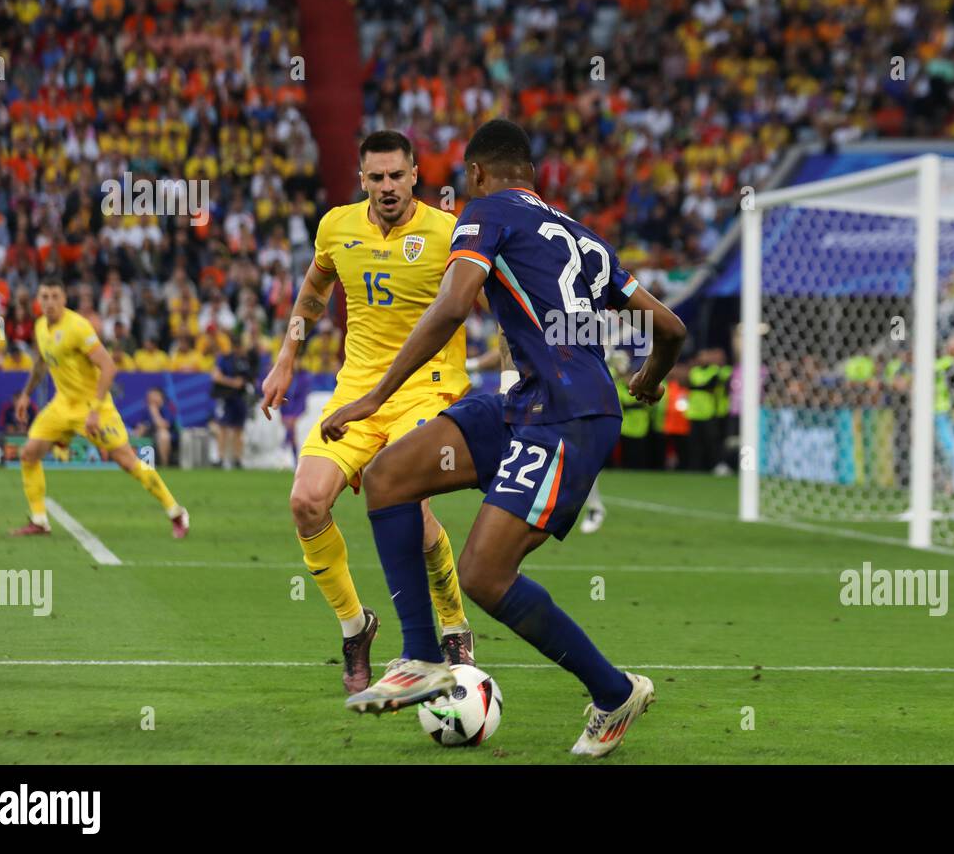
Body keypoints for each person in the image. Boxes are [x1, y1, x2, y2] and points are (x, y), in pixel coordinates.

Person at [320, 119, 686, 757]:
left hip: (566, 417)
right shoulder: (579, 236)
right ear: (532, 175)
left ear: (476, 175)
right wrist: (648, 380)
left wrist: (375, 395)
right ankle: (423, 656)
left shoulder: (481, 212)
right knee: (388, 477)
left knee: (485, 574)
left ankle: (612, 691)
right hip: (530, 403)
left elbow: (455, 304)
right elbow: (671, 327)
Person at [259, 130, 477, 696]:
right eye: (375, 177)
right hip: (357, 392)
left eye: (395, 176)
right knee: (306, 502)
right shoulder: (336, 226)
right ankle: (356, 627)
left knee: (413, 512)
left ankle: (452, 623)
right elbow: (313, 290)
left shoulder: (447, 232)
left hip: (426, 390)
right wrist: (286, 357)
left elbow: (492, 300)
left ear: (413, 177)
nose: (386, 187)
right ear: (362, 179)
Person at [10, 276, 190, 538]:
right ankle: (39, 520)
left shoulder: (78, 327)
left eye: (54, 297)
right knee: (28, 454)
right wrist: (26, 395)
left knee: (127, 462)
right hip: (62, 404)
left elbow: (108, 366)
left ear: (64, 299)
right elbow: (41, 363)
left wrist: (94, 410)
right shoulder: (40, 327)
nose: (49, 302)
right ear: (39, 300)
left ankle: (176, 512)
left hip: (93, 406)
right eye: (44, 297)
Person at [210, 328, 257, 469]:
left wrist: (235, 382)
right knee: (223, 427)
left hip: (240, 398)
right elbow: (216, 376)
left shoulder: (245, 360)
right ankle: (220, 458)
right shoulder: (224, 359)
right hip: (226, 397)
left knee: (238, 429)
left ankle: (237, 459)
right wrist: (232, 382)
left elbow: (246, 379)